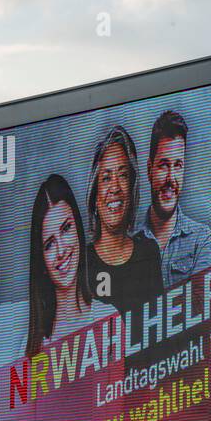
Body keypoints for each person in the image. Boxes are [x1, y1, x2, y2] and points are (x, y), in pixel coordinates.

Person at [25, 173, 116, 358]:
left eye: (66, 229)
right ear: (41, 259)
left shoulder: (109, 321)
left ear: (78, 230)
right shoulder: (33, 348)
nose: (61, 250)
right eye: (49, 244)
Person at [85, 126, 163, 329]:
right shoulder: (80, 263)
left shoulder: (148, 252)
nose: (115, 188)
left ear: (133, 187)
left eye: (123, 175)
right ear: (94, 193)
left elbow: (160, 337)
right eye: (106, 177)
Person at [136, 110, 211, 288]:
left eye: (178, 165)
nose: (171, 178)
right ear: (149, 170)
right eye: (163, 165)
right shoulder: (128, 242)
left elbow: (202, 309)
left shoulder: (201, 240)